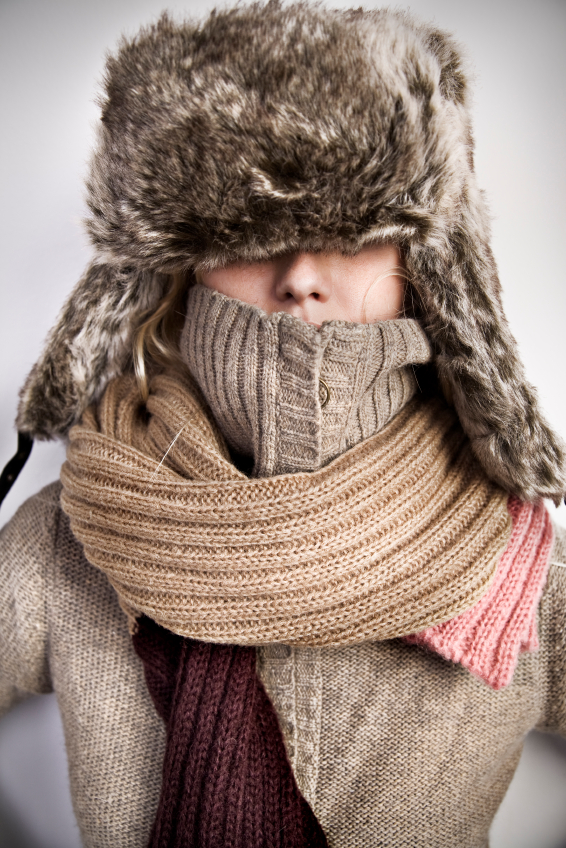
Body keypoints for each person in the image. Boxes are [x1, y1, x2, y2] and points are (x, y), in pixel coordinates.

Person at [1, 2, 565, 846]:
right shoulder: (65, 537)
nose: (300, 275)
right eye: (247, 234)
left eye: (352, 233)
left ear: (429, 267)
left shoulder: (515, 561)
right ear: (175, 268)